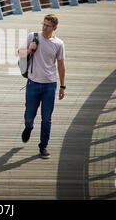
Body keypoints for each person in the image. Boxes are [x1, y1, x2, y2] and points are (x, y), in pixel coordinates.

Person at [18, 14, 66, 159]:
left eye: (47, 25)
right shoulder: (32, 36)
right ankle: (29, 126)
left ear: (54, 28)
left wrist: (63, 86)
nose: (44, 27)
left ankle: (43, 146)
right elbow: (19, 53)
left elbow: (61, 65)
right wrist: (29, 49)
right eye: (43, 24)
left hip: (50, 85)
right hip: (33, 83)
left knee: (47, 118)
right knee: (29, 115)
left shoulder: (59, 44)